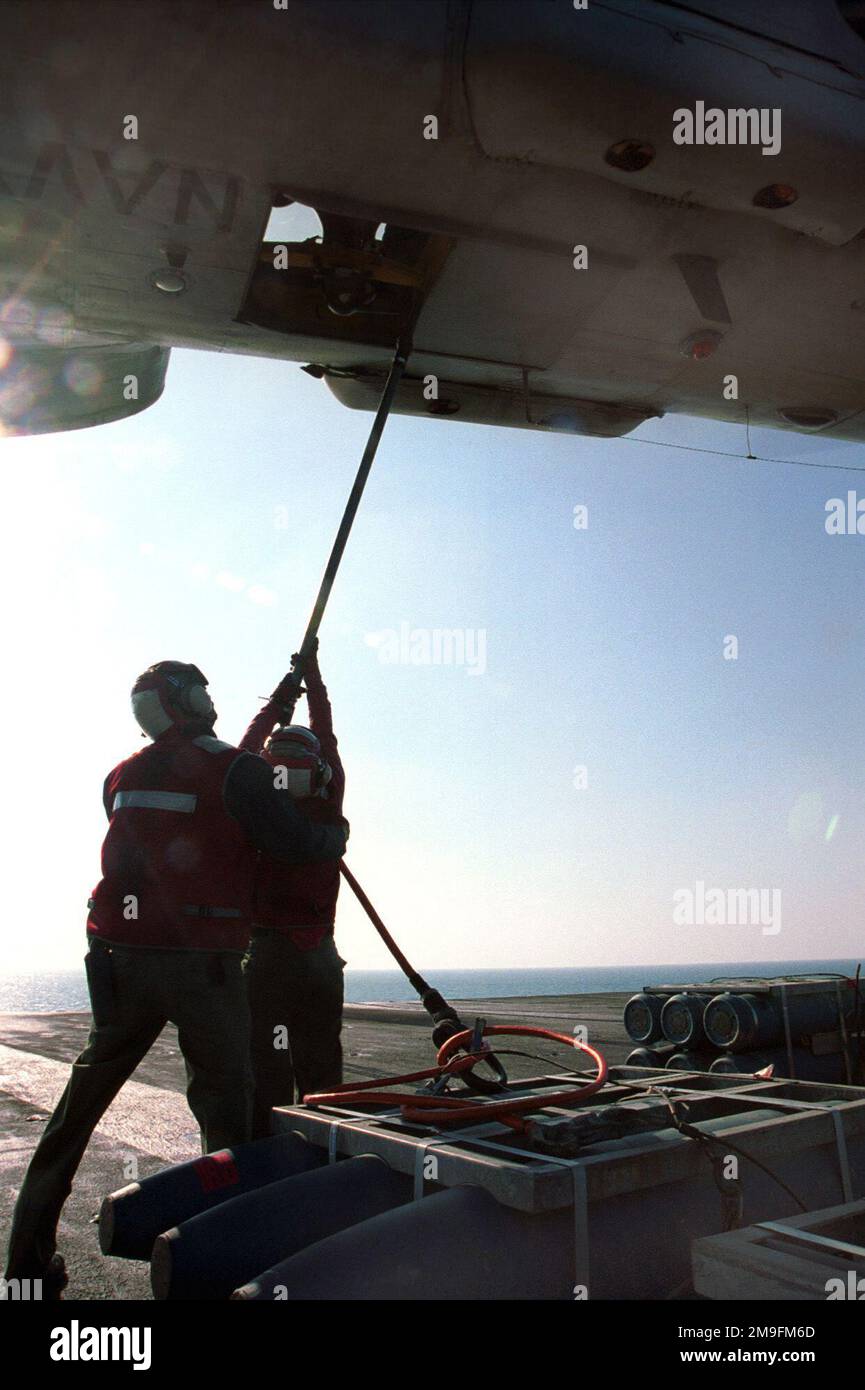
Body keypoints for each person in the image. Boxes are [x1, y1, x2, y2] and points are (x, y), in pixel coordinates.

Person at [5, 660, 347, 1294]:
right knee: (228, 1124)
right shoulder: (235, 770)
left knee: (74, 1117)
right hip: (204, 970)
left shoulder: (120, 775)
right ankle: (224, 1265)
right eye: (203, 690)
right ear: (189, 700)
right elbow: (296, 839)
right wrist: (336, 834)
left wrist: (276, 703)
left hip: (117, 964)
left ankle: (24, 1265)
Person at [239, 640, 346, 1137]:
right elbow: (326, 730)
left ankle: (268, 1151)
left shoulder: (252, 808)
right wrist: (313, 678)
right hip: (319, 955)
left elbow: (241, 752)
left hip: (265, 957)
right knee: (322, 1063)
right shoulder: (327, 802)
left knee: (268, 1061)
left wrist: (280, 698)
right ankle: (327, 1147)